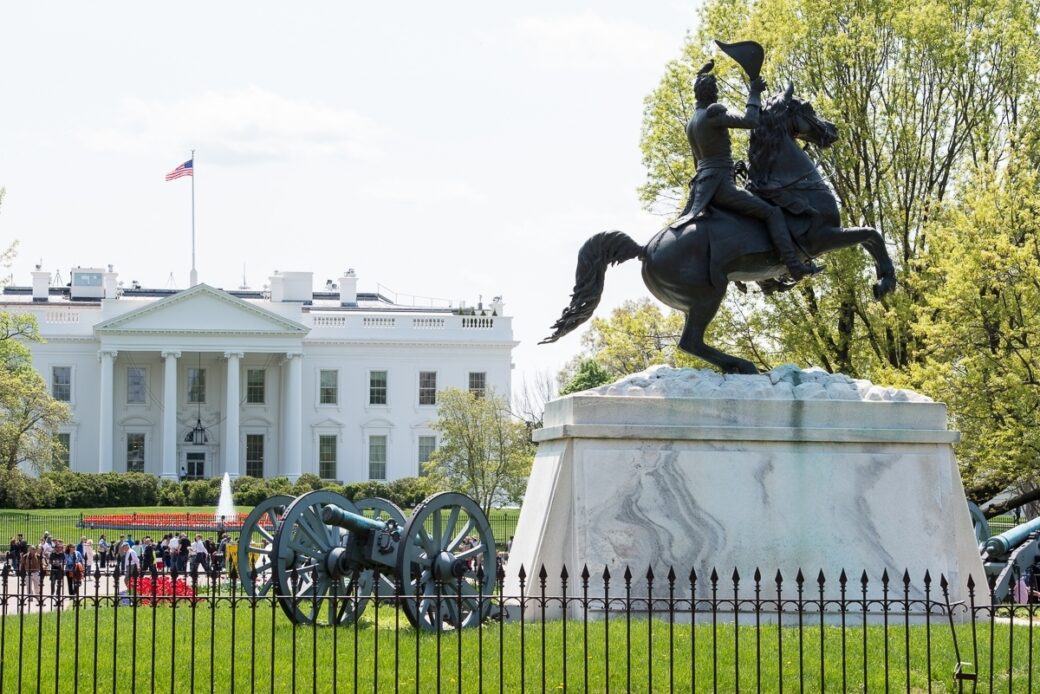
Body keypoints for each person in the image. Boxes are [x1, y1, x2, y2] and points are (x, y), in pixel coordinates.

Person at [670, 59, 820, 281]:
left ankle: (767, 280)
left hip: (703, 185)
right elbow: (751, 121)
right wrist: (754, 91)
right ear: (713, 93)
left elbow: (698, 162)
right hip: (721, 185)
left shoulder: (691, 122)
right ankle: (794, 266)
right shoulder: (712, 115)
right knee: (772, 212)